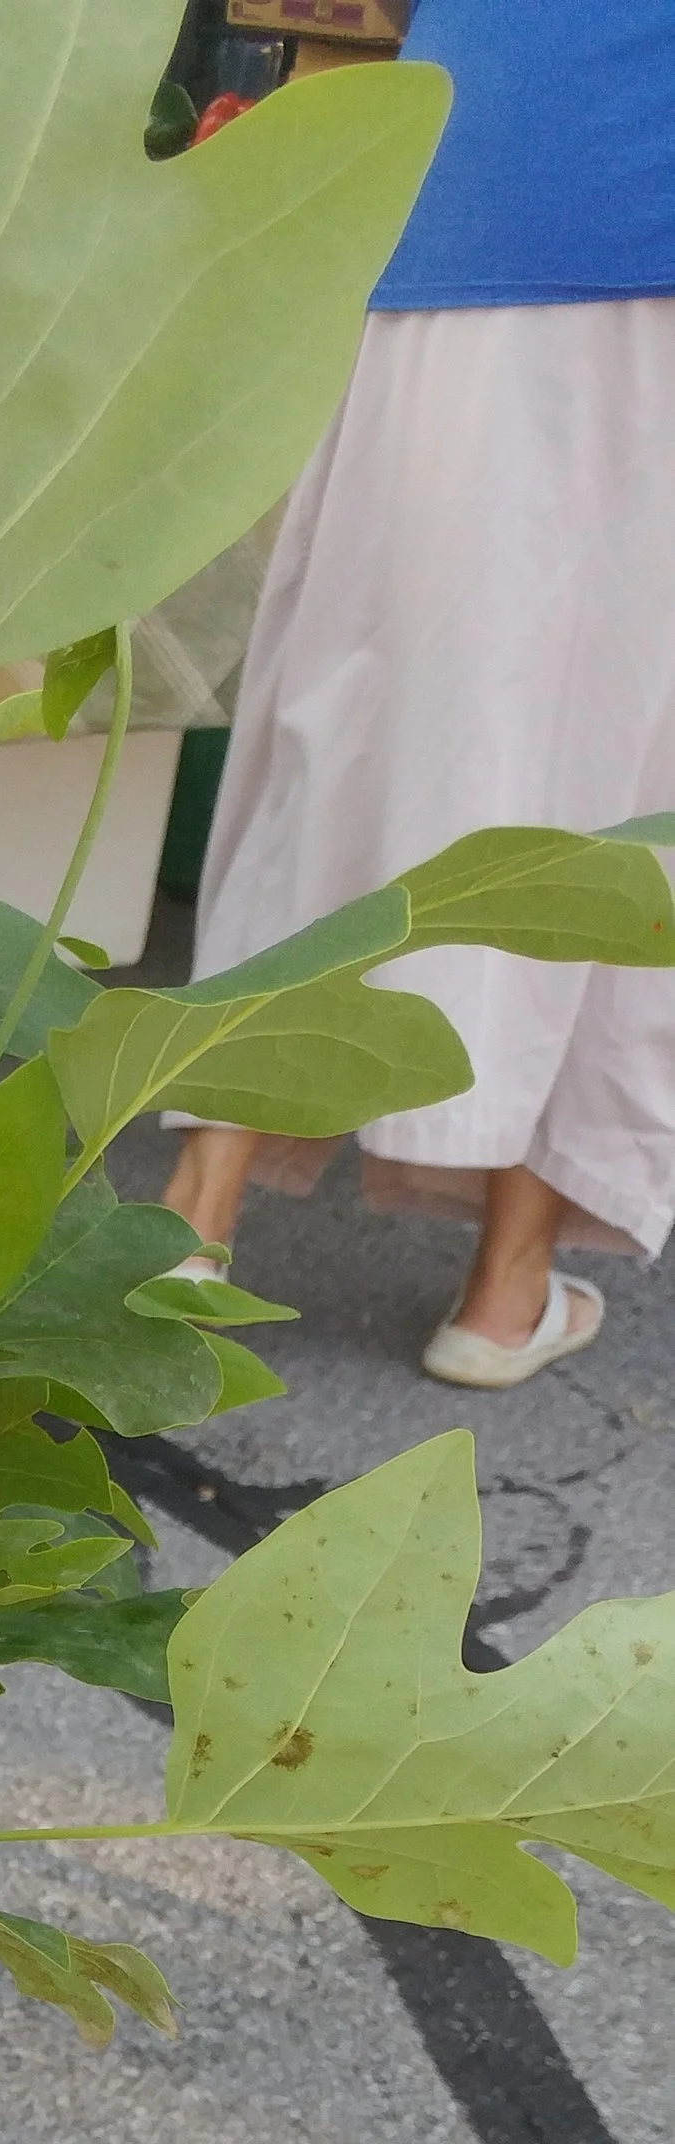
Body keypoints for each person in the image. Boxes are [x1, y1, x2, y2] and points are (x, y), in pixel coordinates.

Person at [162, 0, 675, 1387]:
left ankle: (193, 1231)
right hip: (638, 203)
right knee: (625, 765)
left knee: (354, 705)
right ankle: (504, 1292)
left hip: (458, 176)